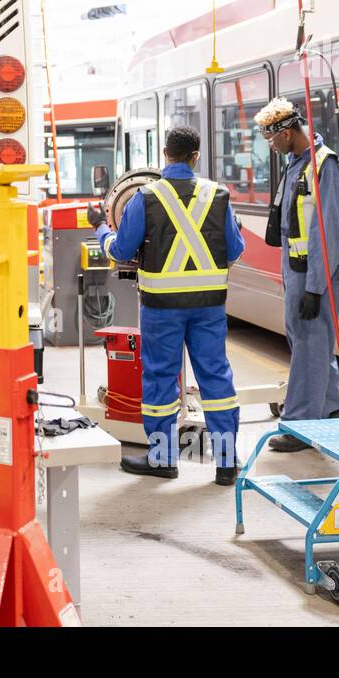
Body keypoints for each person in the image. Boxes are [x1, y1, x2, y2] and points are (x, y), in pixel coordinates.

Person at [87, 126, 245, 485]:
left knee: (160, 380)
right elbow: (234, 250)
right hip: (208, 306)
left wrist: (99, 227)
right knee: (215, 378)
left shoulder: (146, 197)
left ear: (165, 153)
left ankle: (163, 460)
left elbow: (120, 251)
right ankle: (225, 464)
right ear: (196, 157)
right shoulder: (217, 196)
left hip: (162, 308)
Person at [254, 98, 339, 451]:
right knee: (311, 341)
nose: (270, 146)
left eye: (271, 139)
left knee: (309, 344)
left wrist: (315, 286)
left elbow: (328, 229)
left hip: (314, 273)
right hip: (297, 269)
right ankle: (328, 411)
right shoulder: (298, 163)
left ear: (285, 133)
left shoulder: (321, 165)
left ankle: (300, 425)